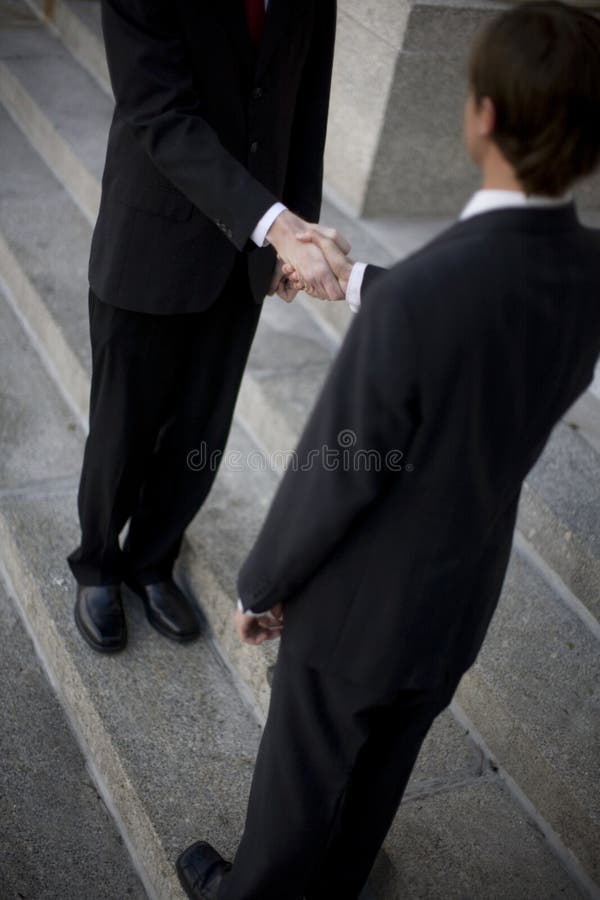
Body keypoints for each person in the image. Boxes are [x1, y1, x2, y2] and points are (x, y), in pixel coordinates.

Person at [176, 3, 600, 897]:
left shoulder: (429, 301)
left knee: (298, 791)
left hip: (361, 610)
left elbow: (335, 472)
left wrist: (263, 583)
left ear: (482, 115)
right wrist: (359, 278)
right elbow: (484, 303)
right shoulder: (585, 272)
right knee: (376, 779)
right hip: (461, 596)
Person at [68, 0, 349, 653]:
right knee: (124, 424)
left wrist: (293, 233)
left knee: (202, 427)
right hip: (151, 236)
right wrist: (275, 224)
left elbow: (307, 110)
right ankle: (98, 564)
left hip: (242, 256)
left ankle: (153, 561)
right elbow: (159, 114)